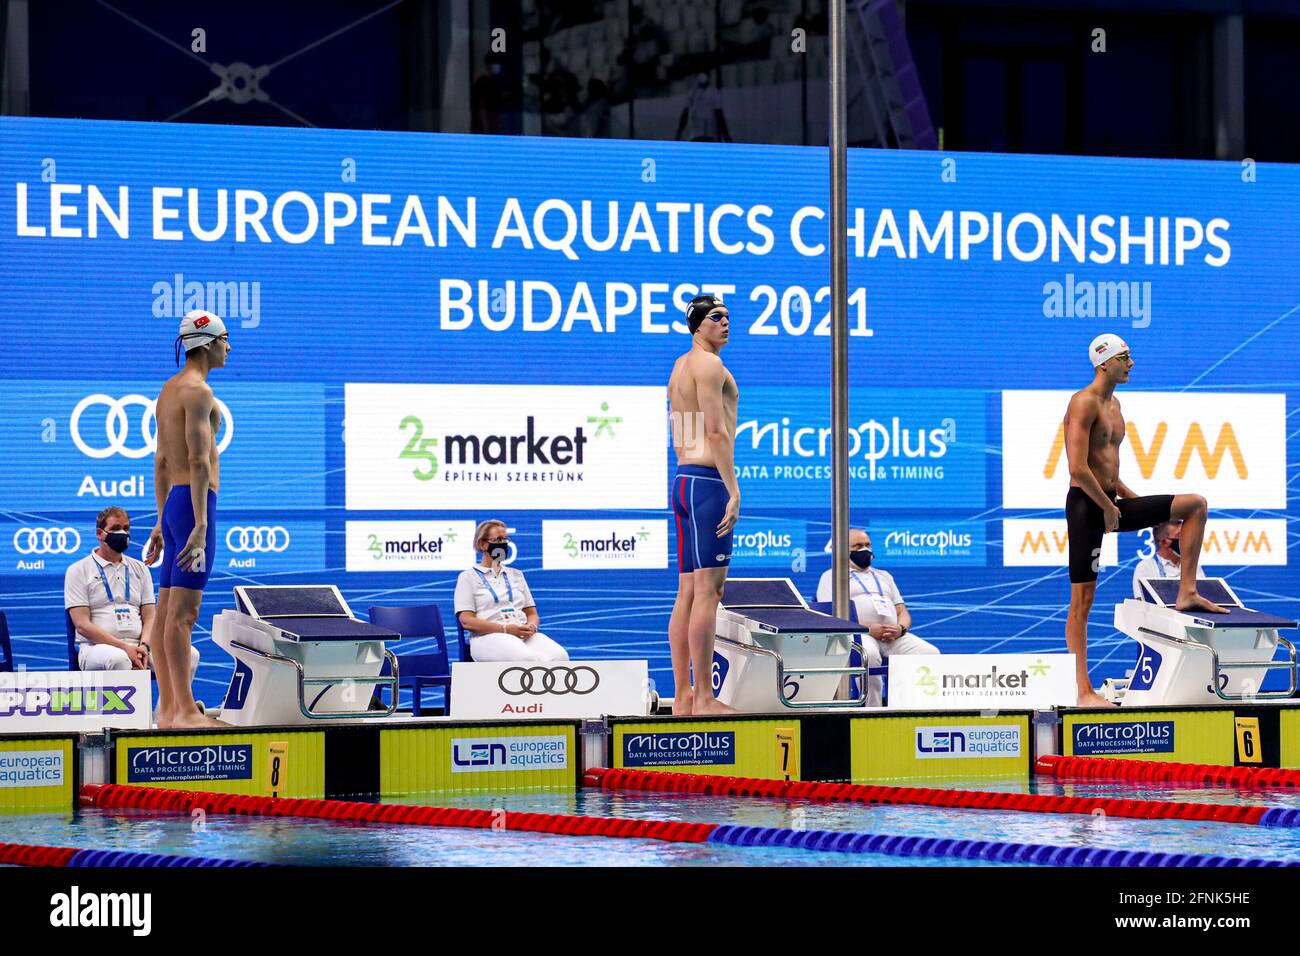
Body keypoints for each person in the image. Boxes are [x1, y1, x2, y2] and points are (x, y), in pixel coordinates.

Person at [1064, 333, 1223, 707]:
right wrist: (1106, 506)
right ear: (1104, 363)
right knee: (1081, 603)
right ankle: (1083, 690)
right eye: (1125, 357)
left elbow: (1106, 468)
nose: (1131, 363)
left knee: (1194, 505)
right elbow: (1077, 468)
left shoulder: (1116, 406)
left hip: (1111, 500)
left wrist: (1140, 506)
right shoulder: (1082, 403)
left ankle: (1186, 591)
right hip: (1087, 506)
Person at [142, 309, 229, 728]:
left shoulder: (167, 390)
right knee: (183, 616)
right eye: (225, 339)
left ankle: (167, 708)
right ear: (208, 343)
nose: (228, 348)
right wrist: (200, 525)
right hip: (195, 507)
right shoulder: (198, 393)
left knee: (165, 613)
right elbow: (197, 461)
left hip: (175, 505)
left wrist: (162, 522)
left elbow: (161, 462)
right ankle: (187, 711)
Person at [667, 294, 740, 716]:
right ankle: (706, 699)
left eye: (728, 316)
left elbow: (684, 427)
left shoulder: (680, 367)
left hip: (682, 480)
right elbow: (715, 431)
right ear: (697, 325)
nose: (726, 322)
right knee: (709, 593)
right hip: (708, 481)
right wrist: (732, 489)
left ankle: (683, 697)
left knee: (688, 592)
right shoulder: (709, 365)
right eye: (716, 317)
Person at [64, 506, 195, 678]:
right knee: (119, 659)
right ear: (100, 534)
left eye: (126, 529)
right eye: (116, 529)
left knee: (189, 655)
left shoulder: (140, 569)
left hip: (140, 646)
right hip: (96, 648)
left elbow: (150, 616)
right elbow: (82, 625)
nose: (123, 534)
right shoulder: (78, 570)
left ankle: (168, 706)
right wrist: (124, 648)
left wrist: (144, 646)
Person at [816, 527, 939, 707]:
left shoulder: (884, 576)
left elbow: (902, 611)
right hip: (860, 635)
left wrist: (900, 628)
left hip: (893, 635)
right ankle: (872, 711)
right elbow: (833, 615)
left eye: (867, 545)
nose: (864, 550)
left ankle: (913, 707)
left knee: (930, 653)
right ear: (843, 550)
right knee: (869, 655)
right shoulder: (831, 576)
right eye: (857, 546)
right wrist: (867, 628)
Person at [455, 520, 568, 662]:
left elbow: (532, 614)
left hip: (521, 634)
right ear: (482, 544)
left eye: (505, 539)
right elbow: (467, 621)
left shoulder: (516, 575)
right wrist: (506, 629)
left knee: (560, 656)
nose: (503, 544)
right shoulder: (467, 577)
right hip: (487, 637)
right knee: (527, 658)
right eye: (498, 539)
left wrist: (531, 626)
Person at [1132, 519, 1207, 599]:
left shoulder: (1193, 566)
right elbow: (1142, 605)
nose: (1186, 540)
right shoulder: (1146, 567)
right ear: (1164, 542)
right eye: (1180, 536)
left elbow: (1204, 597)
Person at [675, 72, 732, 143]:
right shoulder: (693, 94)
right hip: (696, 136)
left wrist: (726, 137)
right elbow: (685, 115)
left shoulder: (713, 93)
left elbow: (720, 116)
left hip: (708, 135)